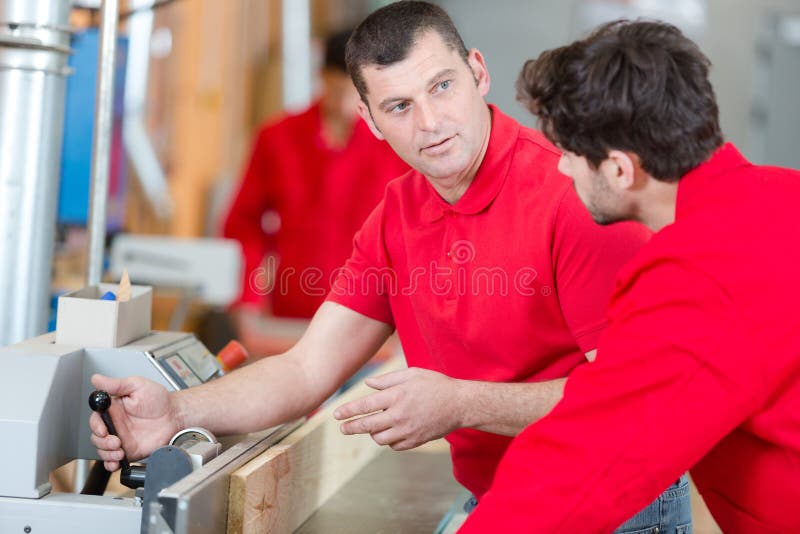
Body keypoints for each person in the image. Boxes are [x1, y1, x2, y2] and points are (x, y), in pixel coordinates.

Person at [90, 4, 681, 531]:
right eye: (399, 106)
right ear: (371, 120)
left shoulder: (573, 195)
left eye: (442, 86)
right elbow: (303, 370)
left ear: (478, 72)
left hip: (613, 504)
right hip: (506, 498)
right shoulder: (396, 216)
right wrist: (178, 412)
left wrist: (459, 403)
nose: (429, 123)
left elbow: (637, 397)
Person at [461, 19, 800, 534]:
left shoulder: (694, 276)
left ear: (620, 169)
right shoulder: (785, 193)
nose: (562, 170)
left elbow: (581, 469)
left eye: (571, 155)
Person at [221, 29, 408, 354]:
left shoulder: (397, 145)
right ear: (322, 76)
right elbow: (242, 226)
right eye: (339, 91)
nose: (349, 105)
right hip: (289, 321)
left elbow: (416, 235)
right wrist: (248, 304)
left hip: (374, 325)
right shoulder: (276, 138)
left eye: (361, 95)